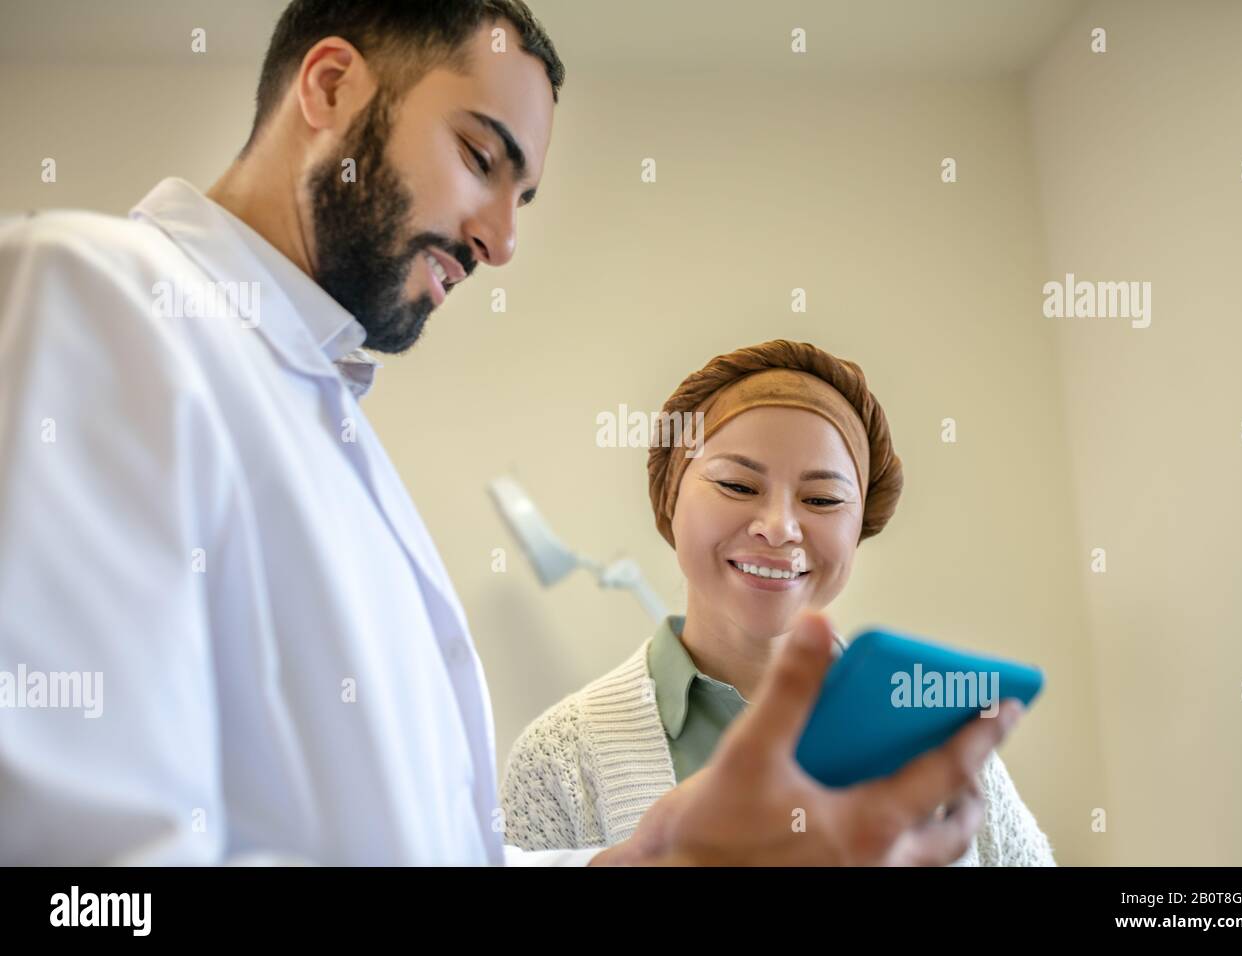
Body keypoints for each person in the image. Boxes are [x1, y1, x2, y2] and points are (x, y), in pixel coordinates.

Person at [0, 0, 1022, 866]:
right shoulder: (97, 294)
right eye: (480, 157)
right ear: (329, 88)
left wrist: (661, 853)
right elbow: (87, 872)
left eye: (520, 195)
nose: (501, 237)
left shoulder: (317, 408)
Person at [501, 340, 1055, 866]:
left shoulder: (933, 731)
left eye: (822, 499)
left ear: (860, 525)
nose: (780, 529)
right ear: (671, 496)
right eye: (739, 486)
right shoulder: (559, 758)